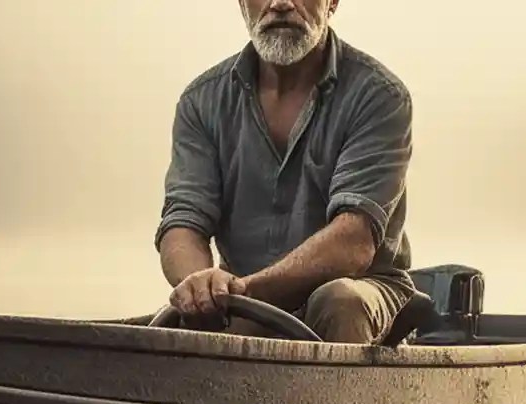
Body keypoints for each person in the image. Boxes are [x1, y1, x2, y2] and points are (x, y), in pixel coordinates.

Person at [155, 0, 416, 343]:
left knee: (339, 300)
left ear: (332, 2)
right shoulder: (201, 102)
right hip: (241, 299)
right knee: (172, 331)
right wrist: (200, 288)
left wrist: (244, 292)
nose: (280, 3)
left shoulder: (379, 95)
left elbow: (354, 242)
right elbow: (183, 222)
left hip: (361, 288)